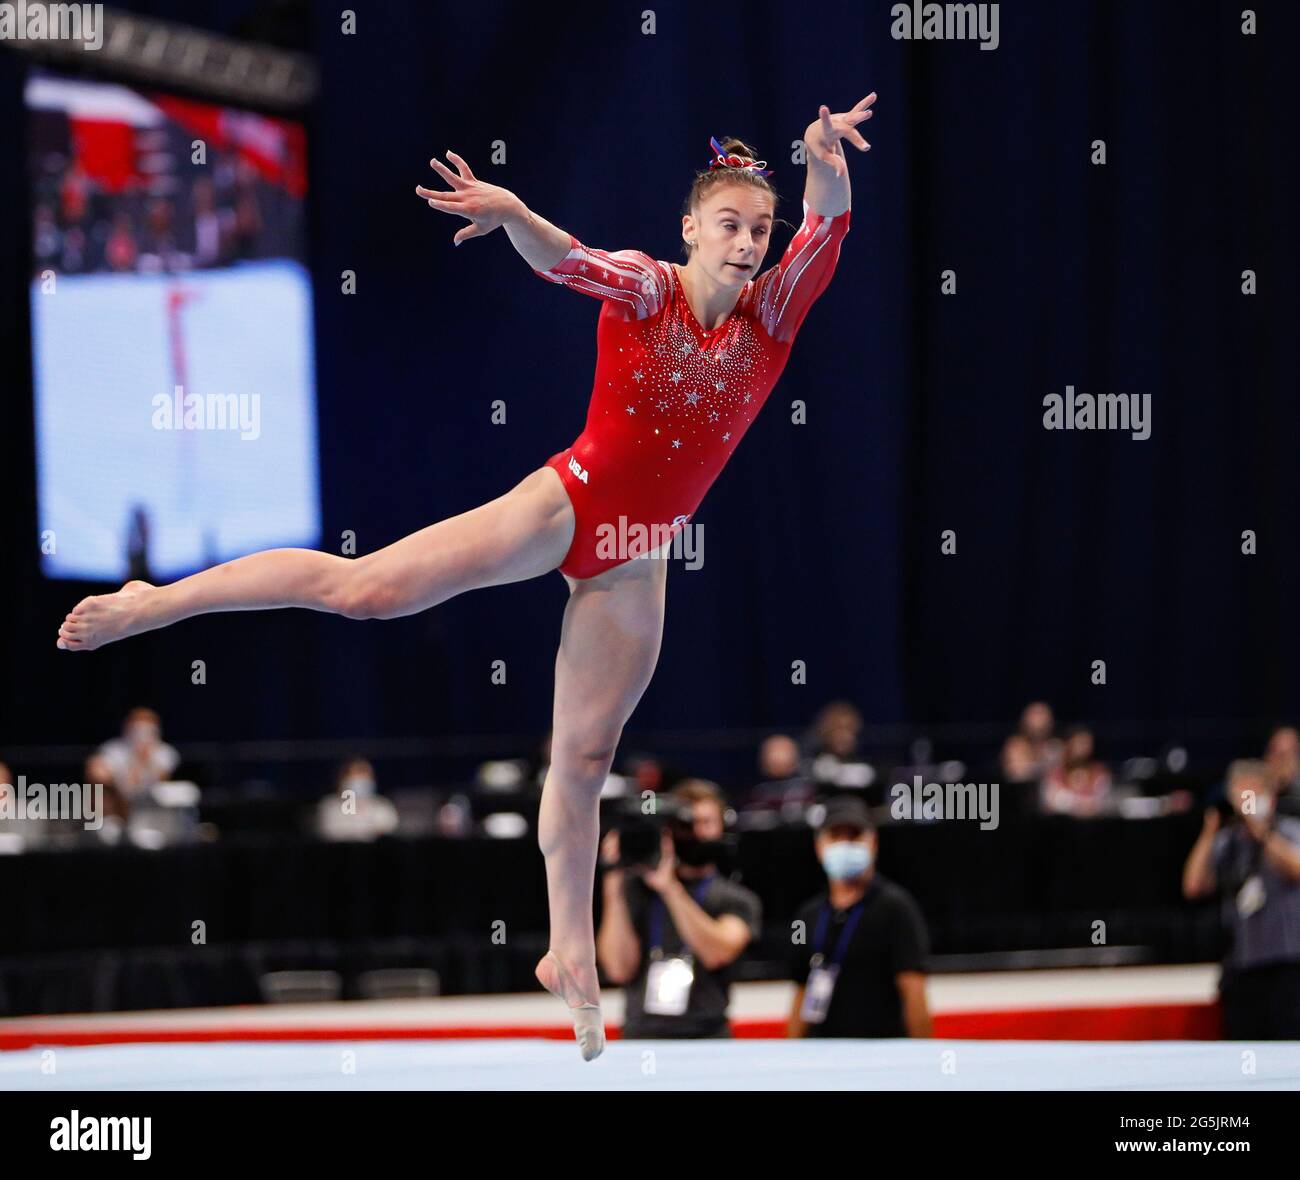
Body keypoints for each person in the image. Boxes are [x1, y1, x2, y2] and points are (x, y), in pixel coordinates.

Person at [55, 95, 875, 1060]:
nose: (747, 244)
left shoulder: (773, 313)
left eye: (759, 230)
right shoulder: (650, 288)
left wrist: (822, 153)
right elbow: (571, 259)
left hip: (638, 558)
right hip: (566, 503)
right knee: (365, 589)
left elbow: (830, 221)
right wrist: (516, 215)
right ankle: (163, 601)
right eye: (729, 226)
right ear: (691, 229)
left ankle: (567, 953)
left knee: (581, 763)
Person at [596, 780, 761, 1039]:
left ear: (722, 827)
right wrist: (613, 883)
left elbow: (717, 952)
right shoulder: (636, 890)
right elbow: (617, 968)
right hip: (639, 1037)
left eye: (705, 823)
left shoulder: (736, 898)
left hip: (707, 1039)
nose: (695, 832)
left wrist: (670, 889)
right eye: (686, 825)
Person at [787, 796, 931, 1038]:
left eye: (853, 837)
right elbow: (801, 991)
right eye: (835, 836)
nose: (844, 845)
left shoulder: (896, 908)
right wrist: (791, 1056)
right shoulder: (805, 917)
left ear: (872, 843)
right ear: (819, 847)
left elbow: (913, 989)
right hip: (821, 1054)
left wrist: (924, 1058)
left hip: (882, 1054)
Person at [1183, 759, 1300, 1038]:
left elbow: (1296, 869)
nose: (1243, 805)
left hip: (1287, 964)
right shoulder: (1228, 842)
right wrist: (1209, 832)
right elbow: (1194, 886)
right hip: (1244, 966)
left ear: (1269, 796)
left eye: (1251, 795)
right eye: (1238, 796)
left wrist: (1261, 830)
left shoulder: (1288, 831)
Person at [95, 707, 180, 801]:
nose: (141, 735)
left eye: (147, 729)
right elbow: (102, 779)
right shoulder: (112, 749)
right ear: (127, 727)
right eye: (137, 729)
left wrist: (145, 759)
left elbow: (162, 779)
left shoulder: (166, 752)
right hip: (120, 803)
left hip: (154, 804)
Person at [314, 759, 399, 842]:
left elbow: (388, 833)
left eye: (364, 774)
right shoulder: (328, 806)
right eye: (355, 774)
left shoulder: (384, 806)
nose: (360, 780)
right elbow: (331, 833)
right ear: (341, 780)